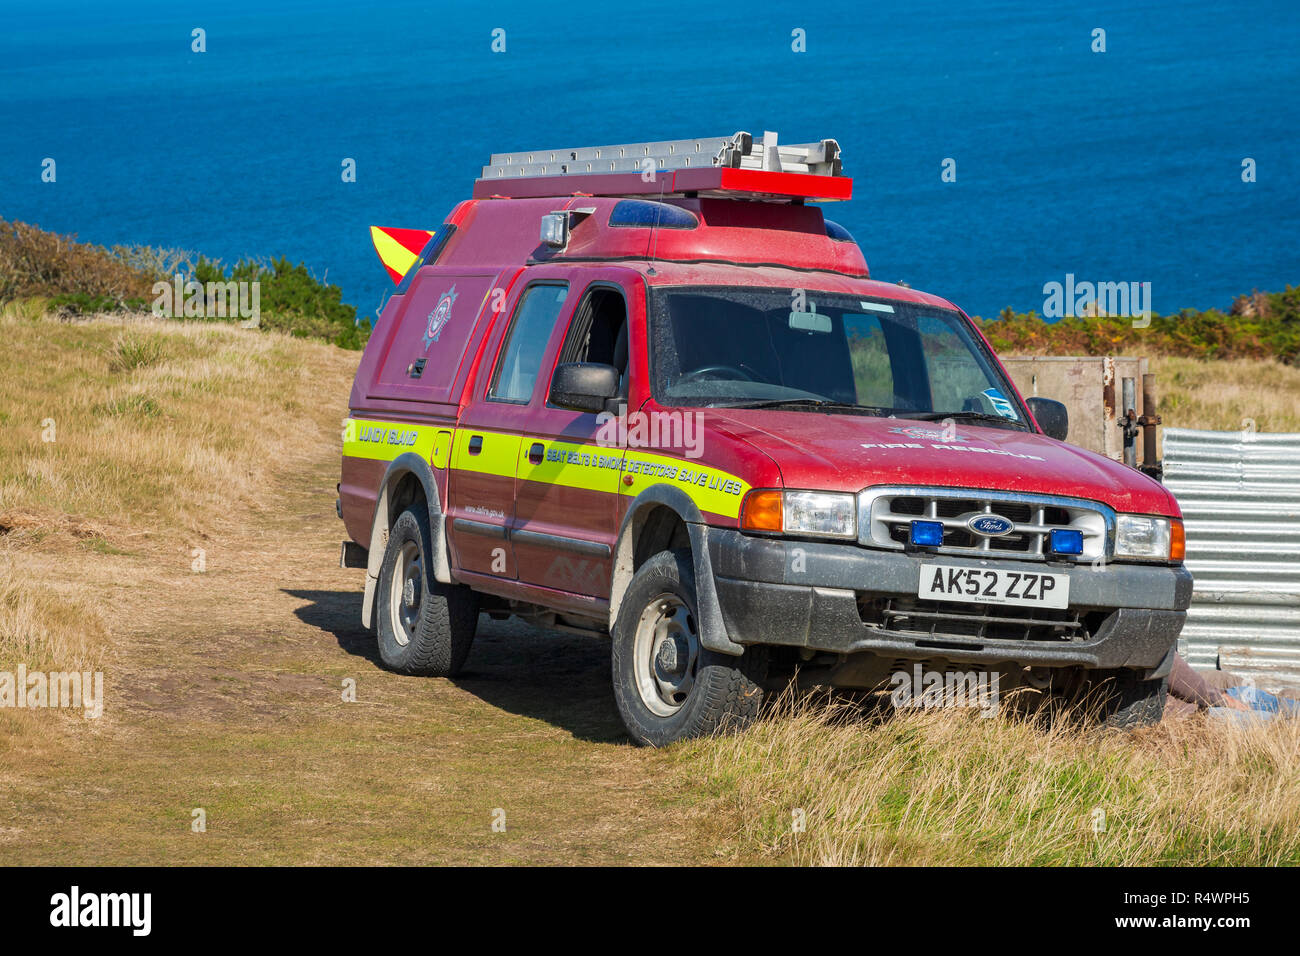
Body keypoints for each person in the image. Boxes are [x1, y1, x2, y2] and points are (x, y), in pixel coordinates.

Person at [1165, 652, 1300, 723]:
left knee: (1266, 697)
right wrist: (1223, 699)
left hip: (1205, 692)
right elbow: (1173, 668)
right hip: (1198, 710)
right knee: (1274, 721)